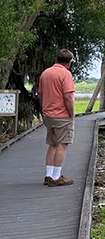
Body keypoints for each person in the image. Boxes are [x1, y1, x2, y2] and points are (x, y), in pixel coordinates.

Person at [38, 48, 76, 187]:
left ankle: (48, 175)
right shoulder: (65, 74)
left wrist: (44, 109)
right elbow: (68, 96)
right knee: (62, 145)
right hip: (62, 116)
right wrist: (72, 114)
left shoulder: (45, 73)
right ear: (69, 62)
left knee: (52, 144)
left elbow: (40, 94)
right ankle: (56, 177)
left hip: (48, 115)